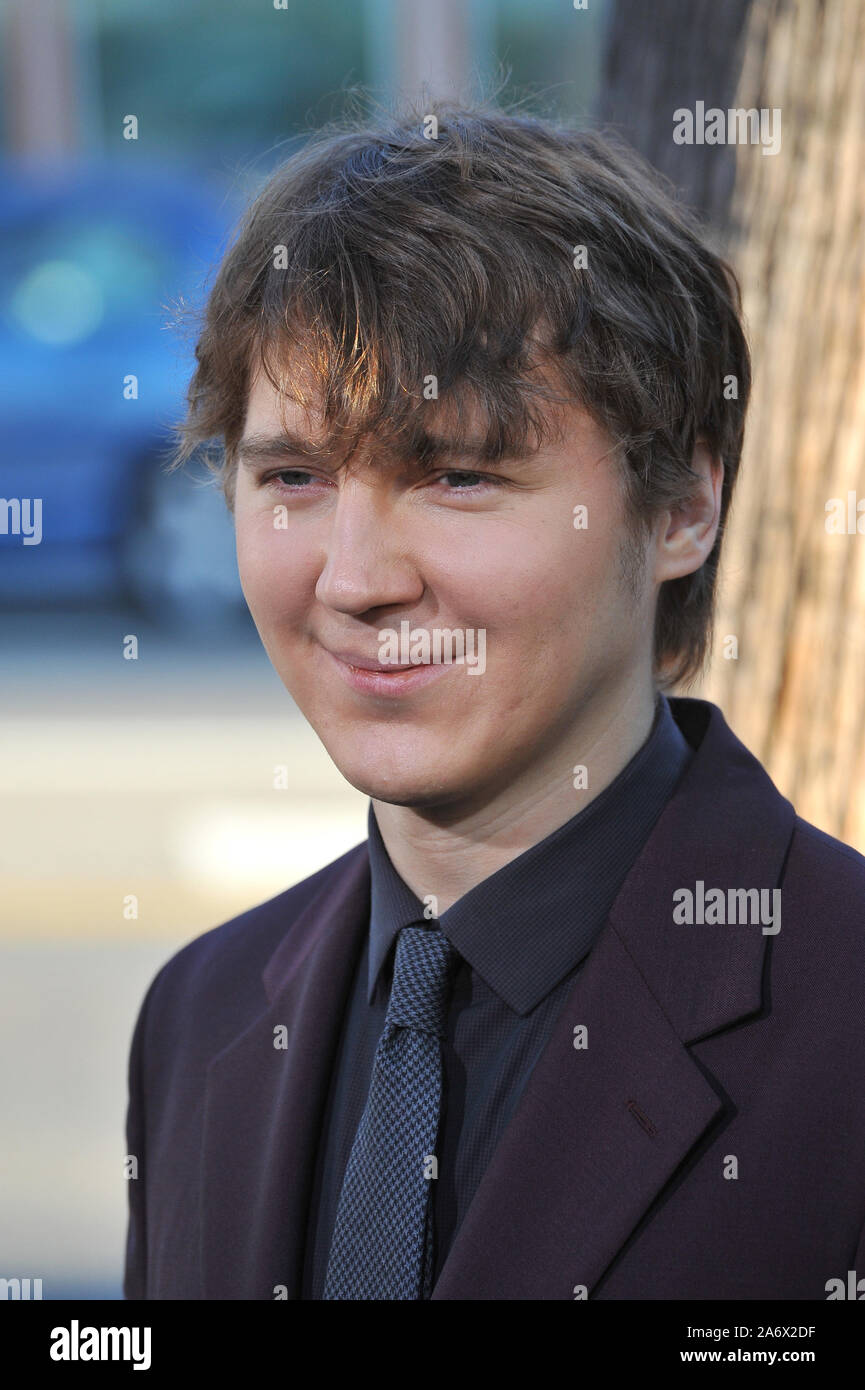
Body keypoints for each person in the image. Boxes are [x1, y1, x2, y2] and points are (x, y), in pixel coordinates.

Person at [123, 100, 865, 1301]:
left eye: (457, 475)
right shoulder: (197, 1020)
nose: (355, 578)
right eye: (295, 478)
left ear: (681, 506)